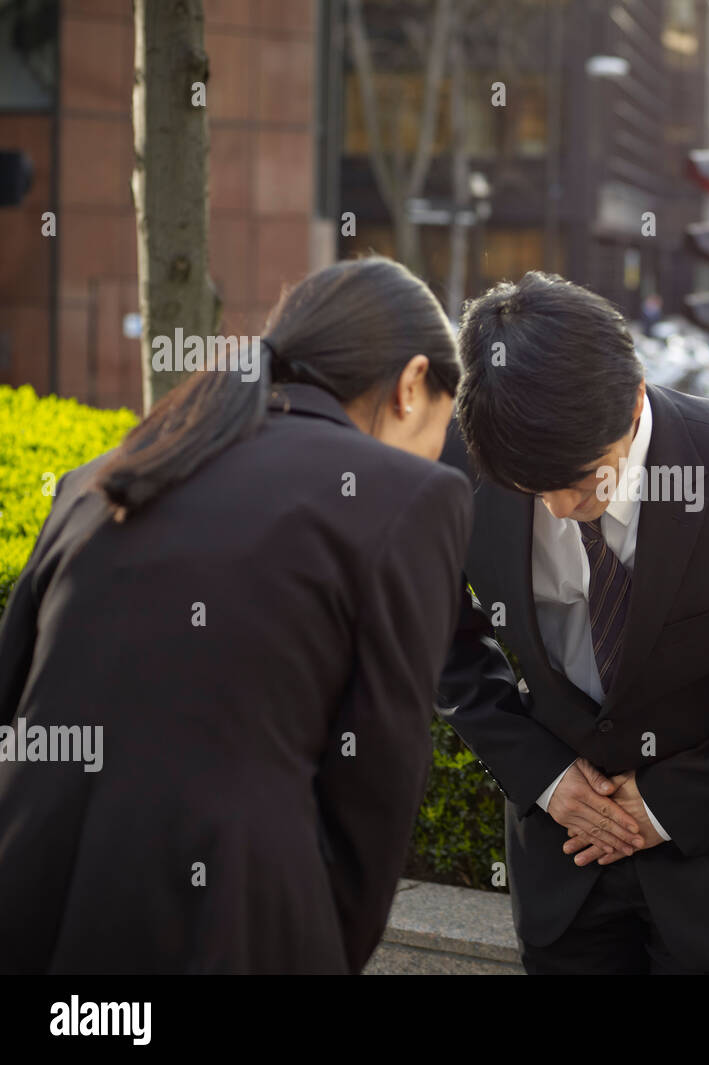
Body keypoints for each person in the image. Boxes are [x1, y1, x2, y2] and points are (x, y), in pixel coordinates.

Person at [0, 256, 473, 974]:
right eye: (443, 420)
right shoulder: (407, 497)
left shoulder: (97, 476)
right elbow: (375, 788)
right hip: (225, 922)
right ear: (412, 384)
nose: (437, 449)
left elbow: (13, 698)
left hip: (36, 900)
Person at [437, 271, 709, 974]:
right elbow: (442, 643)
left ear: (634, 399)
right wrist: (547, 779)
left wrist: (666, 803)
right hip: (560, 869)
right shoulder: (465, 461)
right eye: (531, 488)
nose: (553, 507)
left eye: (580, 481)